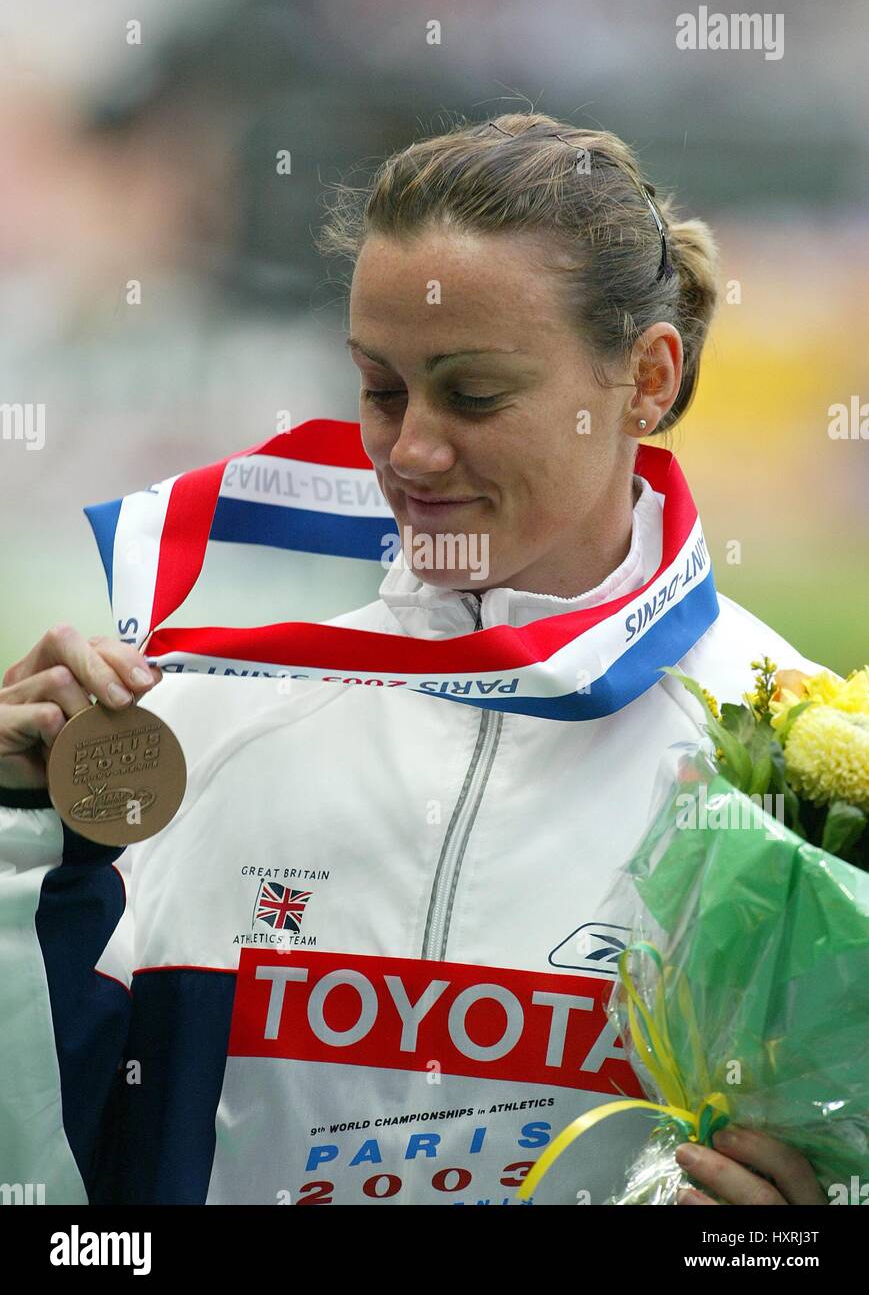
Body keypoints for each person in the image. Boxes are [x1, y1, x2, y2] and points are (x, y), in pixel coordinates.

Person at [0, 113, 830, 1206]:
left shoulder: (785, 780)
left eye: (473, 393)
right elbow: (53, 1178)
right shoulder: (205, 718)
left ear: (647, 378)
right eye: (380, 389)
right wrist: (17, 840)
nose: (412, 450)